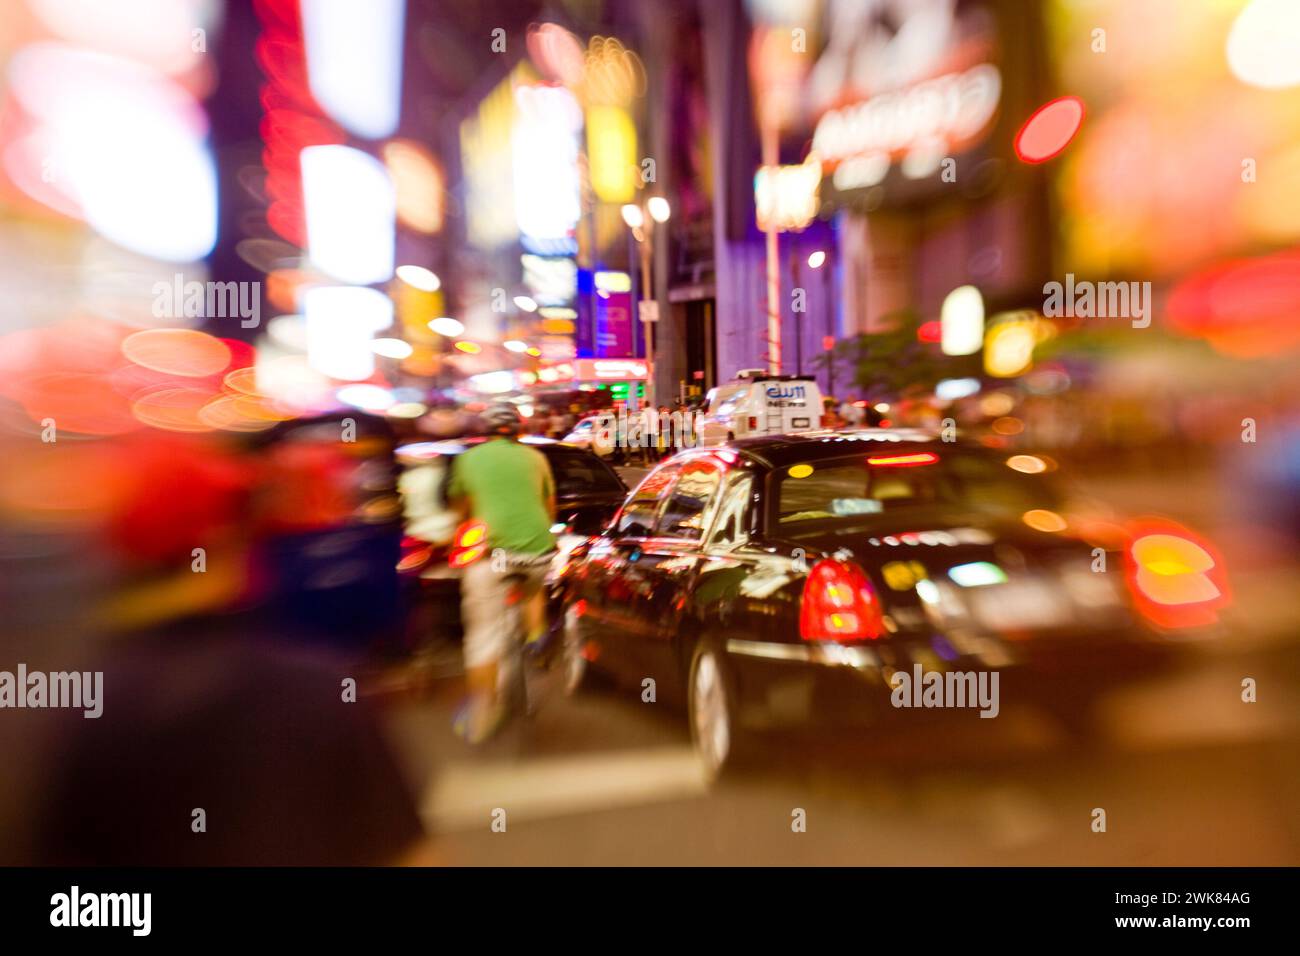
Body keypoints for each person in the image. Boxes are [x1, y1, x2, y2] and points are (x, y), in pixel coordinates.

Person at [446, 403, 557, 743]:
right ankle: (536, 636)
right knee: (533, 590)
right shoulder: (536, 458)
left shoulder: (469, 459)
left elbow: (460, 509)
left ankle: (483, 713)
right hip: (537, 549)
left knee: (483, 635)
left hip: (491, 557)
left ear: (487, 430)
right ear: (518, 430)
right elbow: (549, 508)